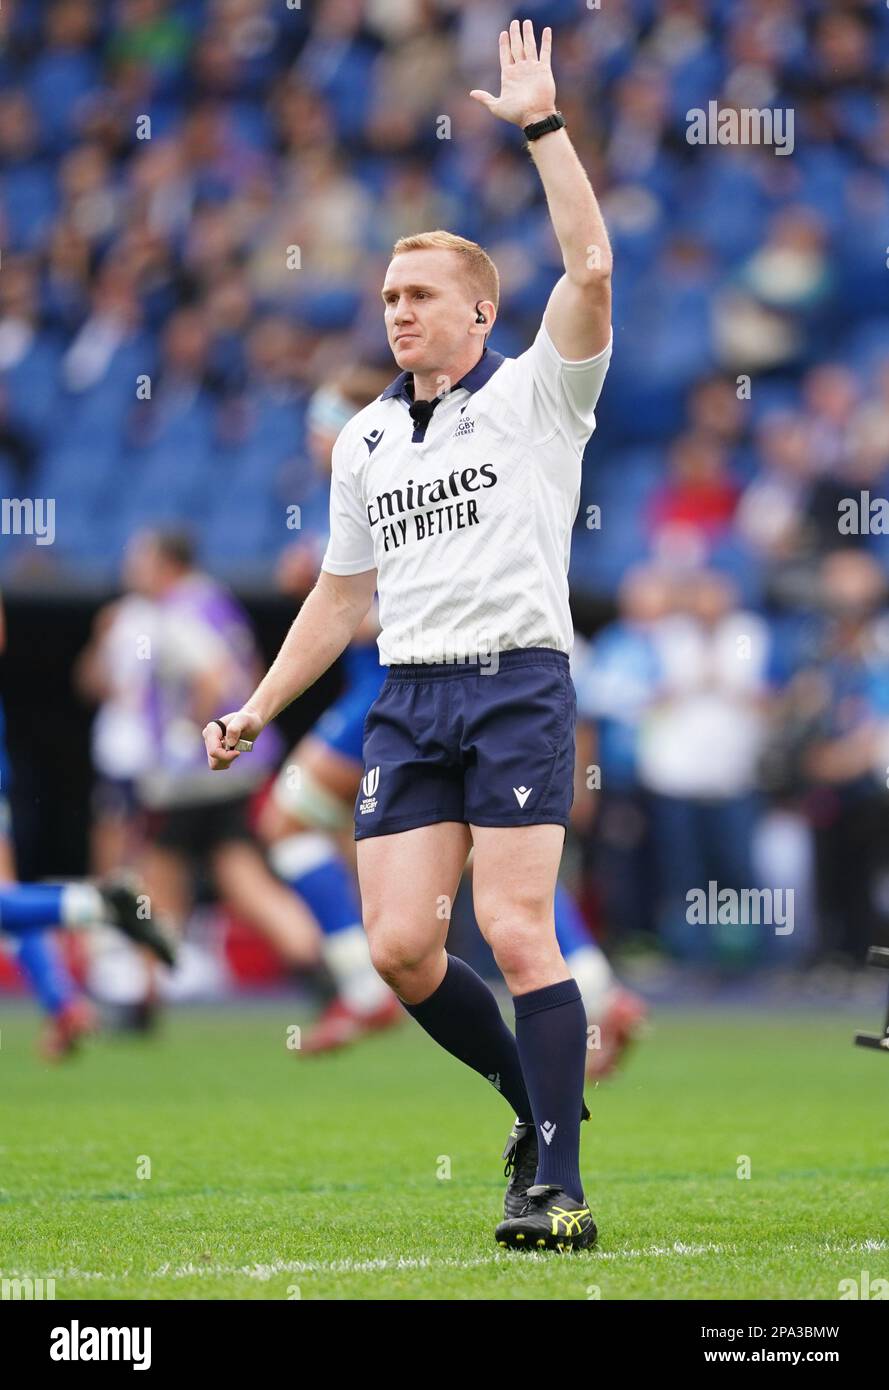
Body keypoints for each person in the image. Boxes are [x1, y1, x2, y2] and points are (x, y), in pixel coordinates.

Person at [205, 21, 612, 1252]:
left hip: (516, 687)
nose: (398, 314)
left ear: (481, 311)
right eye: (388, 298)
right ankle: (531, 1111)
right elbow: (339, 597)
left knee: (519, 927)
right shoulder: (366, 440)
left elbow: (588, 268)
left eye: (420, 296)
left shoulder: (538, 392)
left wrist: (542, 127)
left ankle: (558, 1186)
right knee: (394, 949)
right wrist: (259, 708)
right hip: (409, 696)